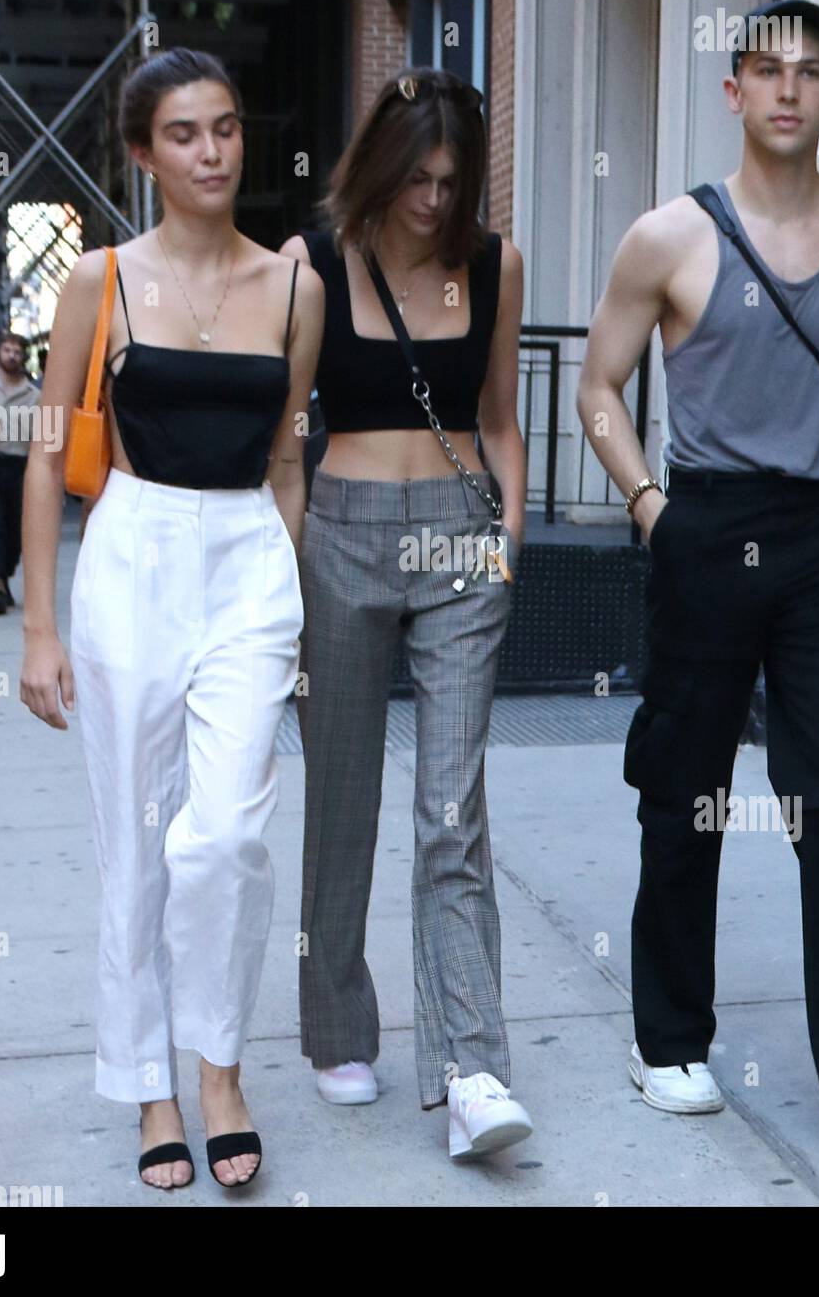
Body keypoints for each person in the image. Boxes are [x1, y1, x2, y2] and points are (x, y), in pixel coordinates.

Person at [577, 0, 819, 1150]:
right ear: (732, 91)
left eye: (811, 73)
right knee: (684, 783)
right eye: (765, 69)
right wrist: (649, 507)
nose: (787, 89)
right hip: (704, 526)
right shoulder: (668, 238)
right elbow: (599, 386)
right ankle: (670, 1040)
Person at [19, 46, 322, 1190]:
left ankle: (221, 1064)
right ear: (144, 154)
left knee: (227, 835)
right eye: (185, 133)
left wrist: (279, 594)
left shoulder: (296, 288)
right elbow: (49, 455)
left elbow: (288, 455)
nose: (212, 151)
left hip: (248, 552)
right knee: (135, 844)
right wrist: (40, 626)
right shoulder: (102, 279)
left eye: (228, 127)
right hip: (134, 552)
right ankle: (151, 1085)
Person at [281, 66, 534, 1160]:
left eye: (452, 179)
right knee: (340, 795)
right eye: (417, 176)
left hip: (458, 539)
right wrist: (289, 563)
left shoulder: (492, 263)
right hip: (336, 530)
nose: (434, 199)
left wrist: (508, 544)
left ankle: (472, 1068)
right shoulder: (312, 263)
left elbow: (502, 420)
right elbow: (287, 434)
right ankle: (339, 1025)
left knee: (450, 810)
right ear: (381, 164)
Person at [0, 330, 41, 614]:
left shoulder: (36, 394)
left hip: (21, 467)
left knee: (16, 531)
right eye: (7, 350)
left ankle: (5, 574)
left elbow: (48, 438)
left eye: (17, 351)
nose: (11, 355)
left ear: (23, 357)